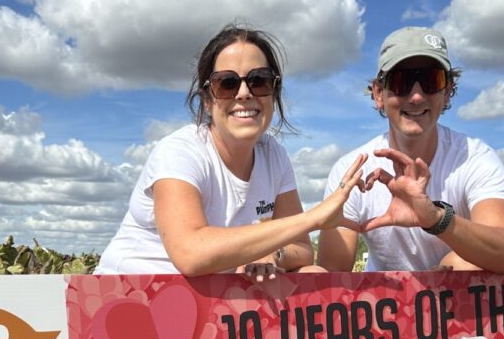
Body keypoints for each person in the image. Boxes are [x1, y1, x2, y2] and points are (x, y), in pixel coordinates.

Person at [96, 24, 366, 282]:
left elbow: (301, 249)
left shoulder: (275, 156)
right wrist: (313, 218)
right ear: (207, 100)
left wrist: (272, 253)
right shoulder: (179, 150)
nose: (244, 93)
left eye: (259, 81)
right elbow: (190, 255)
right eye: (227, 84)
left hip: (210, 298)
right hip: (133, 294)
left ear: (274, 92)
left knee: (312, 275)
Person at [317, 27, 504, 274]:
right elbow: (331, 274)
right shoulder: (351, 170)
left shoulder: (474, 157)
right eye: (401, 82)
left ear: (446, 92)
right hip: (386, 306)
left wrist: (435, 219)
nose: (416, 96)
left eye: (430, 81)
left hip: (459, 303)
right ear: (378, 93)